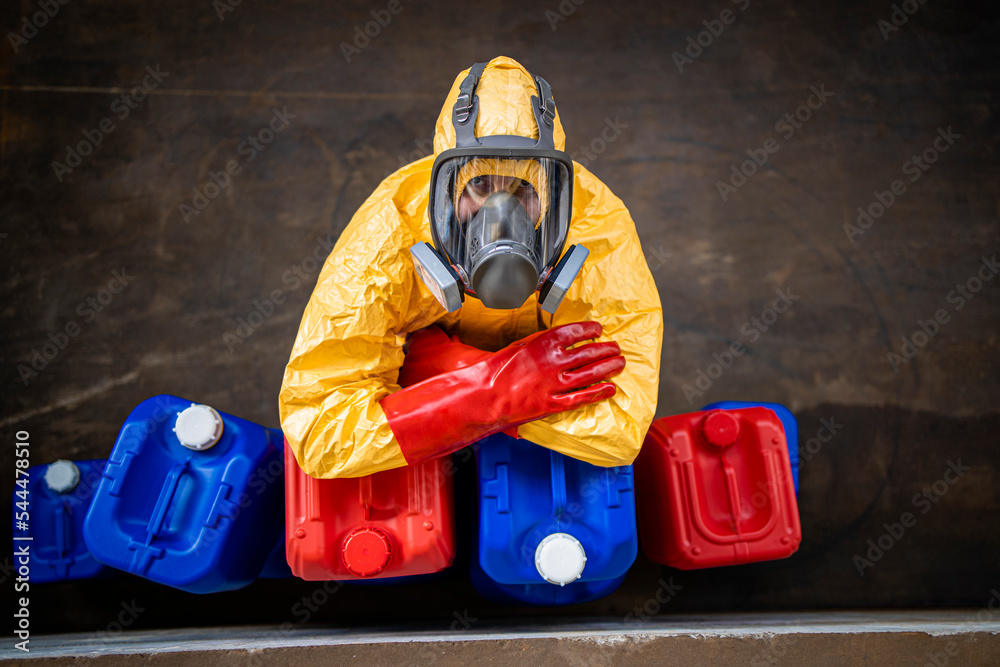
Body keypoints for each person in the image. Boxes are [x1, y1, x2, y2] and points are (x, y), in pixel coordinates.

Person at [279, 56, 662, 479]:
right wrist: (494, 393)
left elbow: (622, 429)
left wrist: (446, 373)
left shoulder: (594, 225)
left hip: (465, 431)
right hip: (490, 431)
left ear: (552, 192)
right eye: (479, 185)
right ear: (445, 185)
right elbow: (321, 433)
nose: (500, 214)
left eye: (522, 190)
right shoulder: (391, 228)